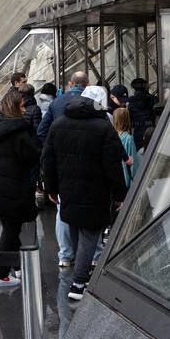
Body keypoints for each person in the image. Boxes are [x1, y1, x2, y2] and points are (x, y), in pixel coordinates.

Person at [42, 86, 126, 303]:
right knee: (90, 235)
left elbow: (48, 159)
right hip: (95, 191)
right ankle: (79, 282)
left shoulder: (59, 124)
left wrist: (50, 188)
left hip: (68, 189)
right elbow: (112, 165)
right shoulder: (103, 127)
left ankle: (82, 275)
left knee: (77, 232)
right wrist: (120, 194)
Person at [0, 88, 42, 290]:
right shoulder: (20, 133)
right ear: (15, 107)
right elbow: (33, 157)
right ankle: (0, 274)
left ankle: (17, 266)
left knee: (10, 226)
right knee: (10, 229)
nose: (26, 110)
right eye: (23, 106)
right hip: (14, 188)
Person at [38, 71, 88, 267]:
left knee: (63, 209)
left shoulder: (56, 103)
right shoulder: (91, 101)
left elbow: (42, 131)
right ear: (87, 84)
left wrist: (52, 147)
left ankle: (65, 255)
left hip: (62, 163)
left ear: (69, 84)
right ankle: (90, 255)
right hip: (86, 161)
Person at [113, 107, 139, 188]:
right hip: (126, 182)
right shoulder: (128, 139)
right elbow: (134, 165)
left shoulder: (111, 137)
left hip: (115, 180)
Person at [128, 78, 156, 146]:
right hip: (151, 130)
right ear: (144, 86)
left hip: (137, 131)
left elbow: (130, 119)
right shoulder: (153, 100)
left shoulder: (131, 101)